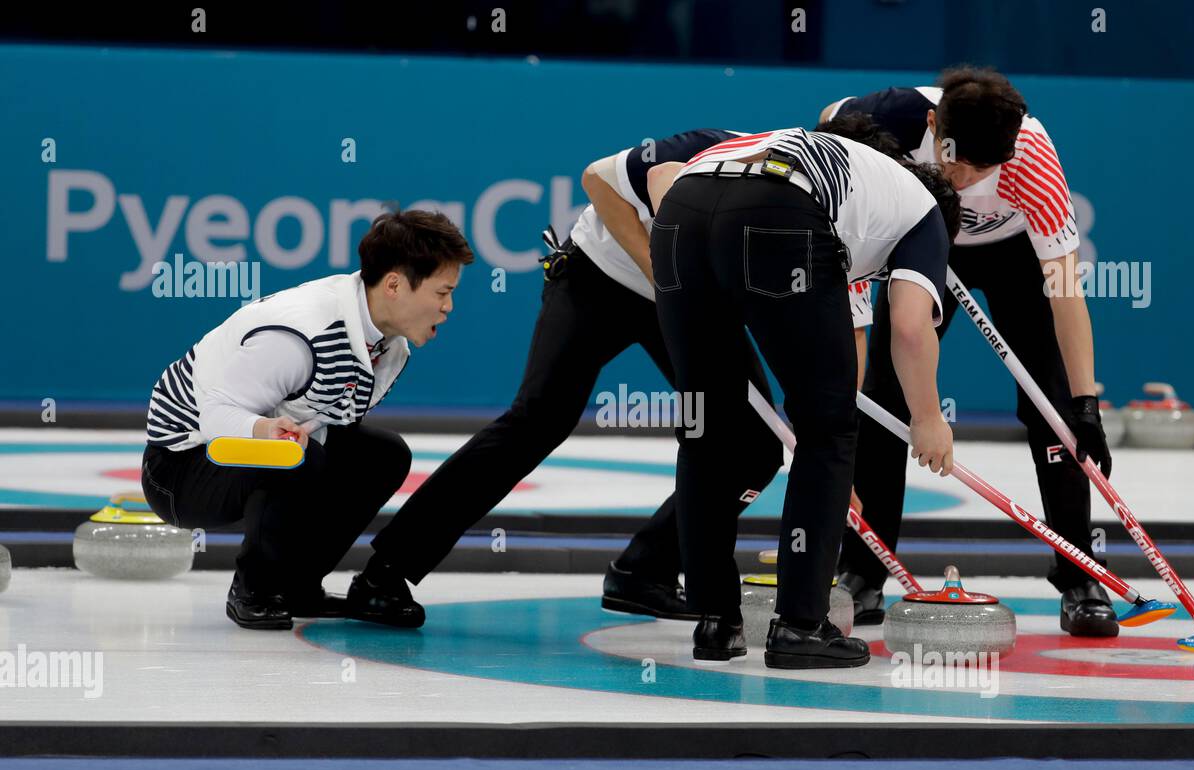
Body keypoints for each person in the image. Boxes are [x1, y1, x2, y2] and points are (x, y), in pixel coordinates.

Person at [356, 129, 784, 621]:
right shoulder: (717, 147)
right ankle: (387, 571)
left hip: (686, 298)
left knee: (756, 446)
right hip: (599, 277)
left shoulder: (818, 220)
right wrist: (664, 274)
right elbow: (597, 180)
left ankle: (646, 570)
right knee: (538, 420)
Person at [646, 124, 960, 668]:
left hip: (680, 213)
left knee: (704, 427)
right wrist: (929, 419)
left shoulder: (864, 182)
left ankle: (715, 623)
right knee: (827, 430)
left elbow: (661, 175)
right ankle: (799, 626)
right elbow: (910, 327)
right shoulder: (925, 215)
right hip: (778, 210)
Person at [819, 67, 1118, 636]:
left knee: (1053, 411)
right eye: (957, 162)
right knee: (884, 401)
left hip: (1011, 257)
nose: (965, 177)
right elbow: (830, 123)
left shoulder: (1029, 154)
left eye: (985, 169)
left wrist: (1085, 400)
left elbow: (1063, 287)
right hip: (926, 237)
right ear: (934, 126)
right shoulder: (892, 116)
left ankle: (1079, 571)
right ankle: (863, 569)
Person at [141, 210, 473, 630]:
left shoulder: (390, 349)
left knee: (383, 456)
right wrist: (265, 431)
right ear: (394, 285)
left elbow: (336, 429)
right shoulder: (300, 336)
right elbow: (216, 414)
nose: (449, 307)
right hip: (177, 469)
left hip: (239, 455)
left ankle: (295, 585)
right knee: (294, 456)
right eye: (443, 292)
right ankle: (255, 589)